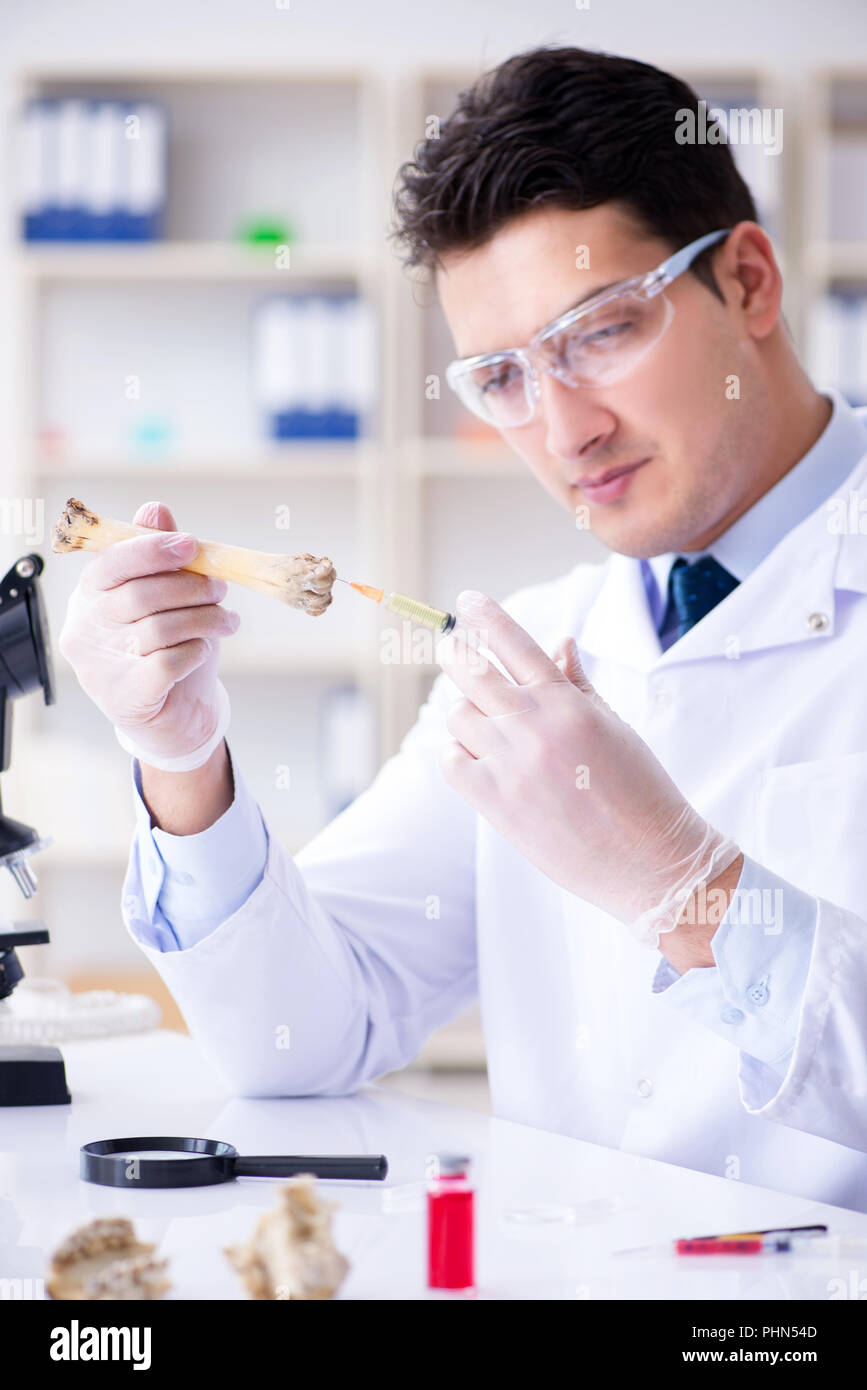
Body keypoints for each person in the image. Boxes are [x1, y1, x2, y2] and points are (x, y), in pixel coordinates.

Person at [59, 47, 867, 1213]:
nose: (562, 429)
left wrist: (682, 884)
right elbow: (300, 1035)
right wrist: (182, 757)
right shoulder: (530, 656)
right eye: (501, 377)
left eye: (601, 331)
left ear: (746, 281)